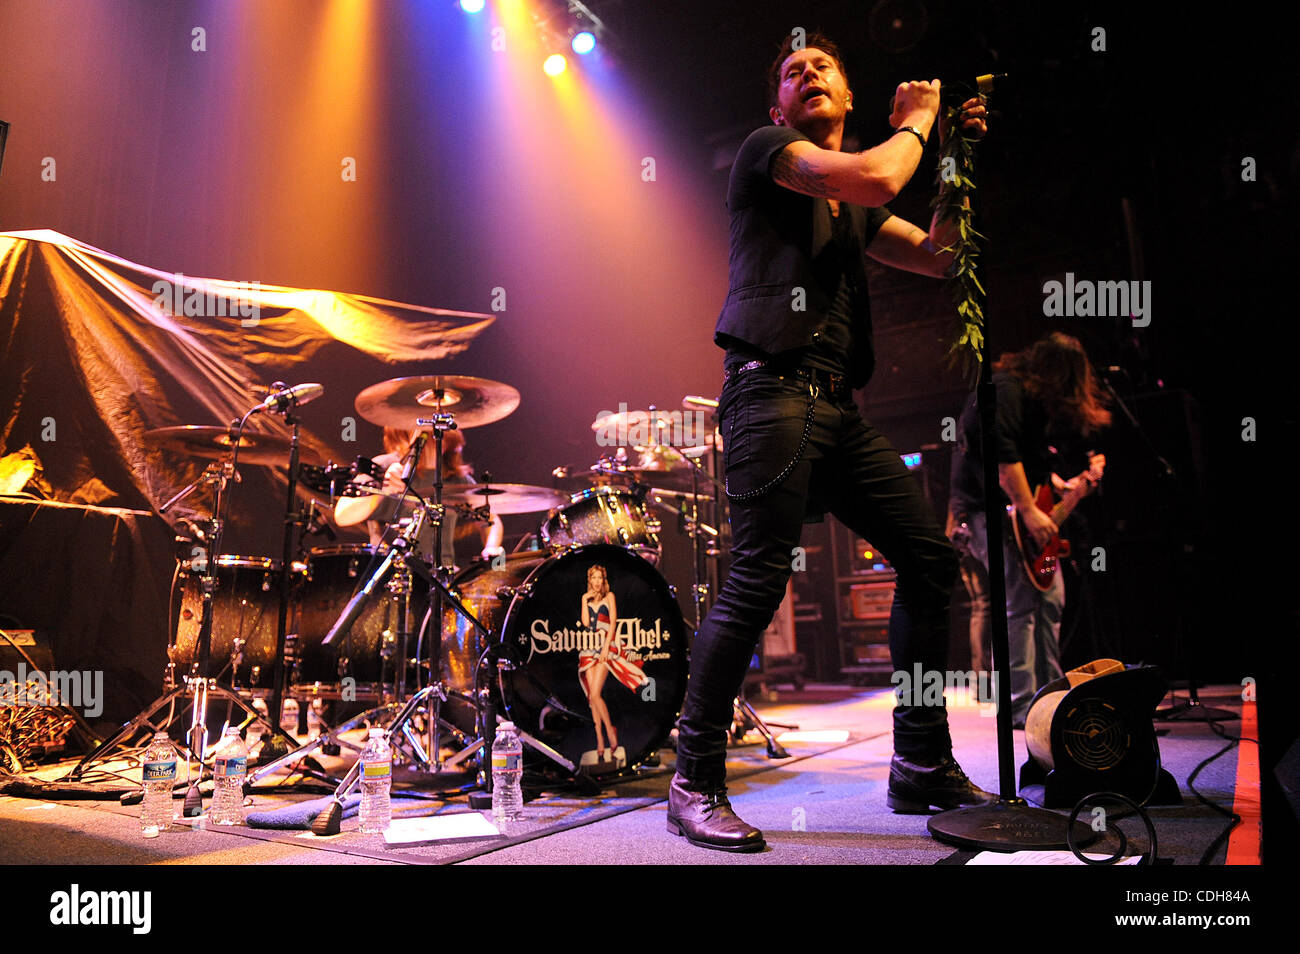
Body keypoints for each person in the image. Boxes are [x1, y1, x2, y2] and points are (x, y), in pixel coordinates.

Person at [667, 31, 994, 853]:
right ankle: (693, 778)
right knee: (756, 580)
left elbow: (945, 259)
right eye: (791, 71)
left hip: (837, 407)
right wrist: (921, 122)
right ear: (778, 107)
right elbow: (883, 168)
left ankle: (919, 758)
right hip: (767, 389)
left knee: (929, 561)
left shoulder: (856, 207)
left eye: (822, 67)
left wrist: (954, 162)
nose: (807, 73)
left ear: (848, 97)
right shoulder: (770, 153)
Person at [948, 332, 1110, 727]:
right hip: (991, 512)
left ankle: (1049, 698)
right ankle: (1020, 707)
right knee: (1019, 607)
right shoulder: (1004, 389)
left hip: (1019, 508)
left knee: (1049, 603)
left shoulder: (1030, 401)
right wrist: (1027, 508)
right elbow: (1000, 454)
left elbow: (1028, 459)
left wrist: (1060, 487)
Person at [336, 427, 504, 568]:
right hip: (391, 574)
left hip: (441, 577)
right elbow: (342, 515)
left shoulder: (456, 478)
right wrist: (382, 489)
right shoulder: (385, 466)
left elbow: (491, 520)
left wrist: (492, 547)